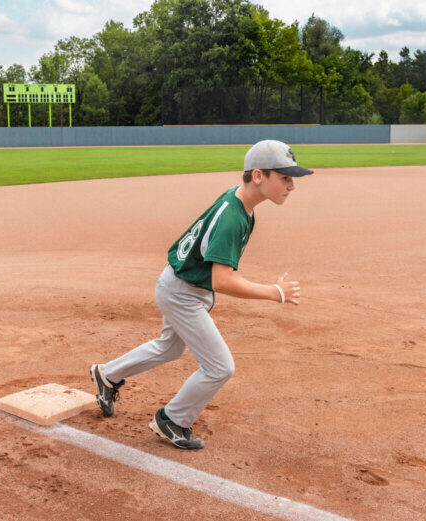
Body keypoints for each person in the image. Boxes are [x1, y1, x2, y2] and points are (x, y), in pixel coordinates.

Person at [90, 139, 312, 450]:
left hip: (180, 285)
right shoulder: (234, 217)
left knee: (168, 348)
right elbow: (222, 280)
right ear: (259, 176)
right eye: (285, 178)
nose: (291, 186)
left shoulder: (238, 204)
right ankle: (172, 420)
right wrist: (274, 292)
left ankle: (107, 375)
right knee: (220, 367)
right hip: (183, 293)